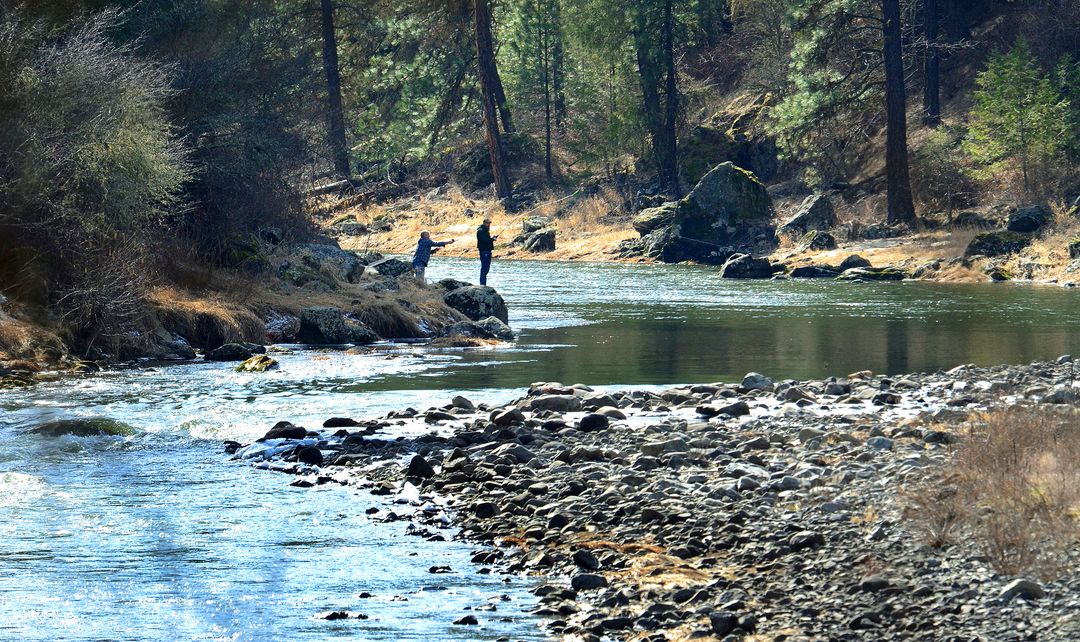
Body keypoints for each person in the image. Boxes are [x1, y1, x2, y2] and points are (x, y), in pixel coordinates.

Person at [476, 217, 496, 285]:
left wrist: (492, 238)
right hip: (484, 251)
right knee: (484, 268)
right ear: (484, 223)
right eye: (487, 223)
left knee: (486, 268)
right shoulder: (481, 231)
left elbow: (486, 239)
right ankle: (482, 284)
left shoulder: (485, 230)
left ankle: (483, 283)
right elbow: (484, 240)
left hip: (487, 251)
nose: (489, 225)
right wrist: (492, 239)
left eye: (489, 223)